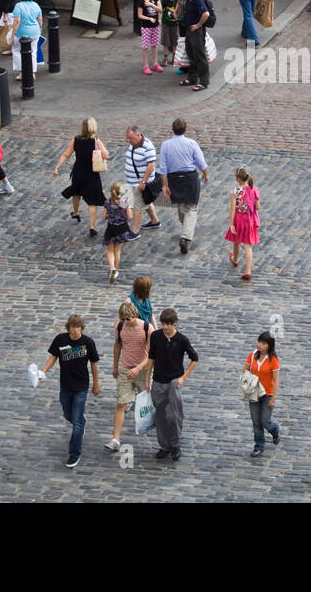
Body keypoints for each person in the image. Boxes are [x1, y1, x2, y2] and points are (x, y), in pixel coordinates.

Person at [132, 308, 198, 461]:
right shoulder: (155, 336)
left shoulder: (181, 340)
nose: (165, 327)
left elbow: (194, 358)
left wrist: (183, 378)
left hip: (174, 380)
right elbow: (151, 358)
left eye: (168, 324)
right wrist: (147, 378)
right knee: (160, 415)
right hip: (158, 380)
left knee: (174, 415)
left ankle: (175, 444)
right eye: (163, 324)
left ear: (174, 323)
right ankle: (164, 446)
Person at [40, 314, 101, 468]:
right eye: (73, 327)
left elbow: (94, 364)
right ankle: (80, 422)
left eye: (78, 327)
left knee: (77, 423)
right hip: (65, 385)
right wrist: (43, 371)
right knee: (68, 413)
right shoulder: (60, 340)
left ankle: (74, 453)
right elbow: (53, 356)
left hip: (81, 386)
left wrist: (96, 384)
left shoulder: (88, 343)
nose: (75, 330)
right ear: (69, 328)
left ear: (82, 327)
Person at [106, 300, 152, 453]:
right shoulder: (120, 327)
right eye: (123, 319)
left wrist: (139, 368)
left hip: (143, 370)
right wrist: (115, 366)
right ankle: (115, 439)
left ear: (135, 315)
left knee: (151, 404)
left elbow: (152, 354)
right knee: (121, 404)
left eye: (129, 319)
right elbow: (117, 345)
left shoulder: (147, 328)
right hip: (125, 370)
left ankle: (159, 433)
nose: (126, 321)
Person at [159, 117, 208, 254]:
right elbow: (200, 161)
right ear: (185, 129)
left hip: (174, 179)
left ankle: (185, 231)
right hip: (190, 178)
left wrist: (164, 185)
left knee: (181, 206)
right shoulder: (191, 143)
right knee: (191, 208)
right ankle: (185, 237)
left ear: (173, 129)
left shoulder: (165, 145)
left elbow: (162, 168)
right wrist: (205, 173)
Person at [55, 117, 111, 236]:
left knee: (76, 192)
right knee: (93, 201)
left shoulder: (75, 140)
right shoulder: (96, 141)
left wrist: (57, 167)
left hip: (78, 172)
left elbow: (66, 155)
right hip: (92, 174)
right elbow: (106, 156)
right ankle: (91, 227)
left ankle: (75, 213)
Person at [244, 331, 281, 457]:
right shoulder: (252, 355)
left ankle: (275, 430)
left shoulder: (273, 360)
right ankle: (259, 445)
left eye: (263, 343)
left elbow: (275, 380)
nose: (259, 345)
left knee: (265, 421)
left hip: (267, 394)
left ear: (269, 346)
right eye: (259, 342)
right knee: (256, 422)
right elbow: (245, 369)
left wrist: (273, 398)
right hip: (254, 393)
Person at [123, 125, 161, 233]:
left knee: (137, 206)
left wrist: (143, 181)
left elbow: (151, 166)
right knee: (146, 201)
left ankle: (135, 231)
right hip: (133, 181)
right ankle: (155, 221)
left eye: (131, 138)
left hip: (139, 183)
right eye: (128, 138)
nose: (128, 141)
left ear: (138, 135)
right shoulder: (134, 144)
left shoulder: (148, 147)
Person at [225, 167, 260, 281]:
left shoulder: (235, 191)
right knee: (247, 245)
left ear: (237, 179)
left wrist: (231, 224)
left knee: (236, 240)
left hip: (238, 219)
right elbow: (258, 207)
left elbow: (232, 209)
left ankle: (235, 259)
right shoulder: (253, 189)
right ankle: (248, 271)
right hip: (249, 220)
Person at [178, 0, 211, 90]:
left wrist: (198, 25)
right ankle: (192, 78)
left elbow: (205, 14)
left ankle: (204, 81)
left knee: (199, 55)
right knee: (191, 53)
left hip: (196, 31)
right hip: (189, 29)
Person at [102, 181, 135, 284]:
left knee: (110, 250)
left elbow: (103, 217)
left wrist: (110, 216)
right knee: (118, 250)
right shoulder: (125, 202)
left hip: (111, 228)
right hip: (122, 228)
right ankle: (115, 270)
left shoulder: (107, 202)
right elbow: (130, 217)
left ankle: (112, 268)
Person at [10, 0, 42, 81]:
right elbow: (40, 19)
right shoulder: (36, 5)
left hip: (21, 33)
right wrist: (39, 29)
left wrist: (12, 35)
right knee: (33, 52)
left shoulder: (18, 6)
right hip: (35, 32)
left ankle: (22, 72)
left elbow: (16, 21)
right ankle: (32, 73)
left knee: (16, 51)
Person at [135, 0, 163, 75]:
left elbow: (160, 10)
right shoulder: (141, 1)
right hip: (146, 26)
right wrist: (149, 18)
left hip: (155, 26)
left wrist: (152, 5)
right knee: (145, 46)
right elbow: (139, 15)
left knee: (154, 45)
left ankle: (155, 63)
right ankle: (146, 65)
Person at [159, 0, 179, 69]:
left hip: (175, 24)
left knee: (174, 41)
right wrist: (160, 20)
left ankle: (174, 57)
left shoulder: (177, 0)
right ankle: (165, 58)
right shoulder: (165, 0)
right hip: (166, 23)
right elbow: (161, 10)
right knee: (166, 42)